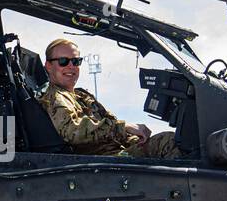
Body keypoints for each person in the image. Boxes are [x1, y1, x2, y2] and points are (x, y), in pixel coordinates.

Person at [39, 39, 180, 158]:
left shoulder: (81, 95)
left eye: (76, 61)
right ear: (49, 66)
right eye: (63, 61)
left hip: (118, 153)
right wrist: (124, 127)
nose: (71, 66)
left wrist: (135, 139)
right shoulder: (55, 97)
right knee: (167, 142)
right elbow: (73, 132)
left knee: (179, 140)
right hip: (103, 162)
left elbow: (110, 123)